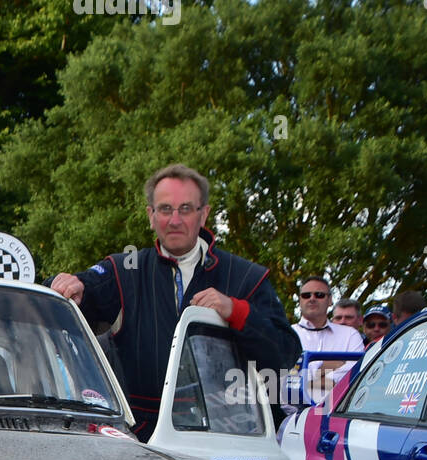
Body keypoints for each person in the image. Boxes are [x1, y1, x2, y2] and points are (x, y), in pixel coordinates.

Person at [48, 163, 299, 439]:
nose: (175, 220)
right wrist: (68, 285)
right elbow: (69, 296)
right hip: (142, 441)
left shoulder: (247, 277)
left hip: (227, 439)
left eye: (186, 209)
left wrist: (236, 311)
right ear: (151, 216)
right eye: (165, 209)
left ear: (204, 215)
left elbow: (284, 354)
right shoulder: (125, 269)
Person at [289, 276, 364, 412]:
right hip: (292, 416)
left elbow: (354, 377)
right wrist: (333, 365)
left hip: (338, 415)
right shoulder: (286, 334)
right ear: (300, 301)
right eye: (306, 295)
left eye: (319, 295)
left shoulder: (350, 335)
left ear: (330, 300)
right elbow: (282, 379)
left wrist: (307, 380)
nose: (312, 298)